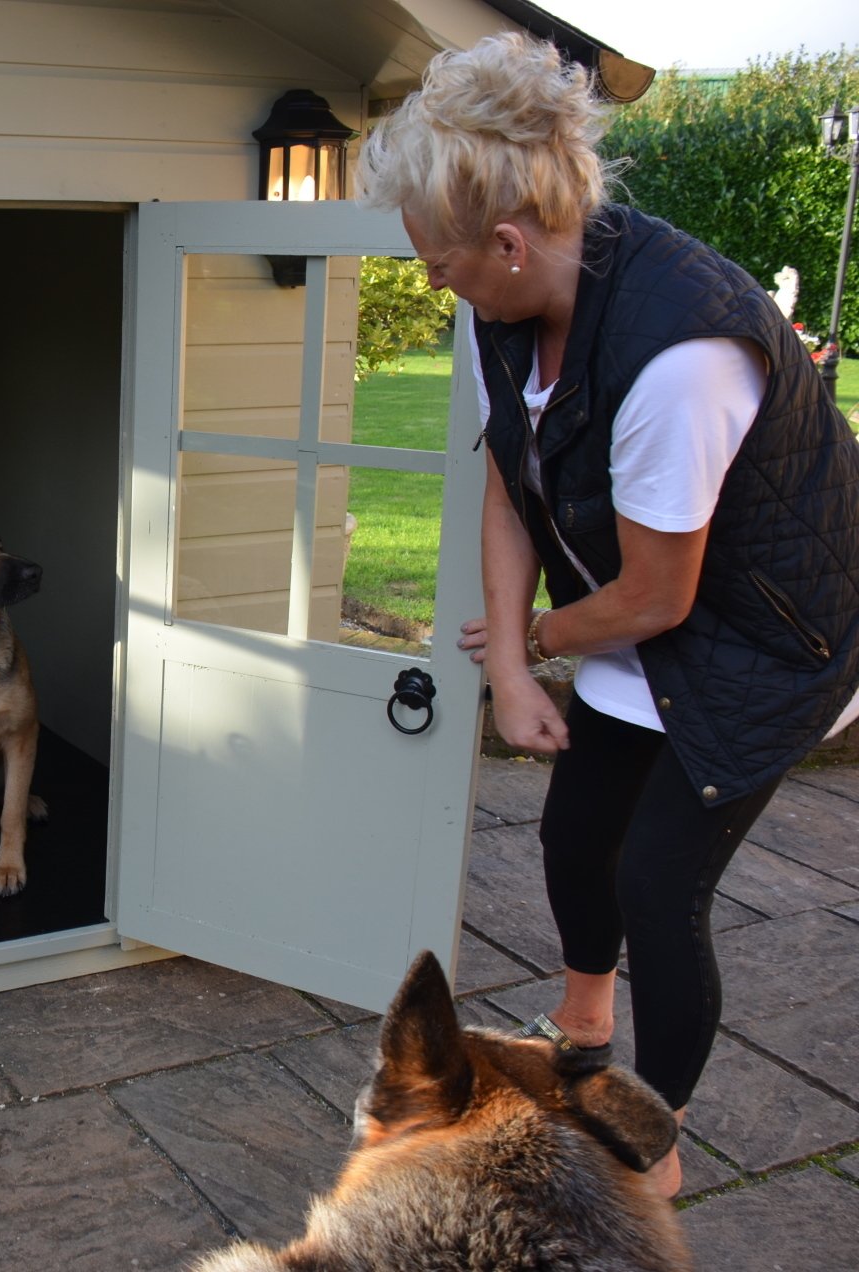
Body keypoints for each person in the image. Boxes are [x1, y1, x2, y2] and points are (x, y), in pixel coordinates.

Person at [358, 32, 859, 1199]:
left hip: (765, 643)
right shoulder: (510, 305)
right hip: (650, 623)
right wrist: (519, 678)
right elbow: (509, 479)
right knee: (574, 835)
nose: (431, 281)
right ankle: (584, 1032)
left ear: (508, 241)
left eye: (436, 263)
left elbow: (657, 595)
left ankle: (653, 1143)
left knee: (656, 889)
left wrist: (533, 641)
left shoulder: (680, 360)